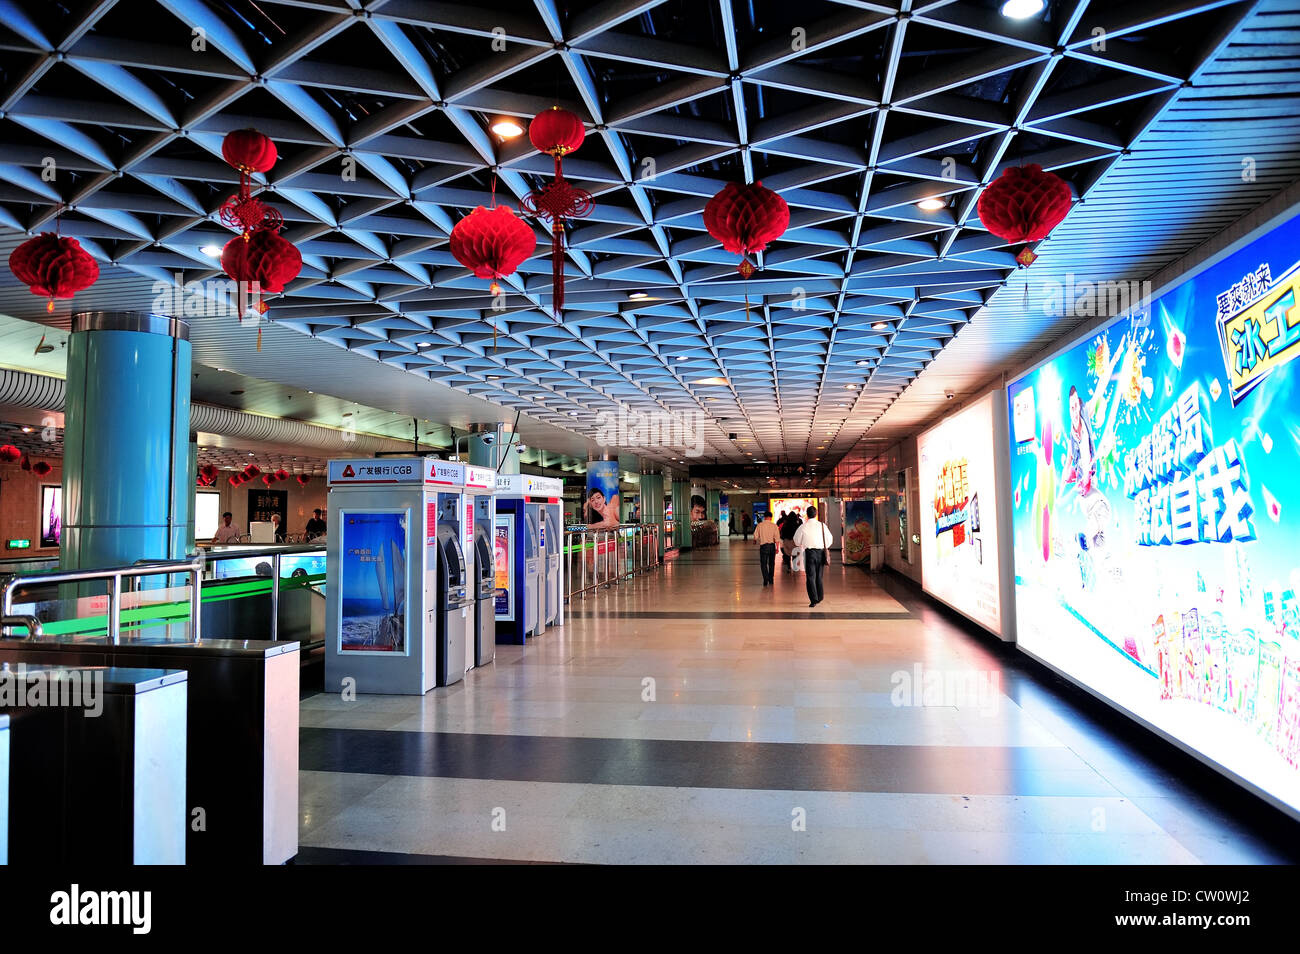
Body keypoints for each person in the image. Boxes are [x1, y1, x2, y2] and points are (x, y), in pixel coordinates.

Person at [793, 504, 833, 607]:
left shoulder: (803, 526)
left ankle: (813, 599)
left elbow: (796, 541)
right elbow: (829, 539)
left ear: (807, 514)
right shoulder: (822, 525)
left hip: (809, 553)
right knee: (819, 576)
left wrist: (803, 543)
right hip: (820, 553)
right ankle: (820, 596)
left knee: (810, 576)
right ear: (816, 514)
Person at [753, 511, 779, 585]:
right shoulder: (774, 526)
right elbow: (777, 538)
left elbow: (755, 536)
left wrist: (754, 541)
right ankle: (771, 579)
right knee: (771, 563)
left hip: (764, 546)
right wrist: (777, 548)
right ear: (771, 517)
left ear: (764, 517)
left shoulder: (760, 525)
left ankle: (765, 579)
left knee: (763, 563)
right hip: (771, 546)